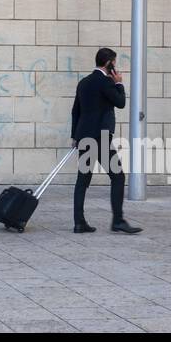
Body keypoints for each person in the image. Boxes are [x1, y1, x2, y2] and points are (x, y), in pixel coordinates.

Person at [70, 48, 142, 235]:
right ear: (109, 63)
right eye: (114, 63)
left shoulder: (84, 82)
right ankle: (117, 221)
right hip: (100, 137)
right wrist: (119, 84)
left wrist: (74, 136)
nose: (115, 67)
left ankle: (79, 222)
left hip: (84, 135)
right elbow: (120, 102)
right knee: (118, 176)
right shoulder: (106, 82)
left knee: (82, 180)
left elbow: (75, 111)